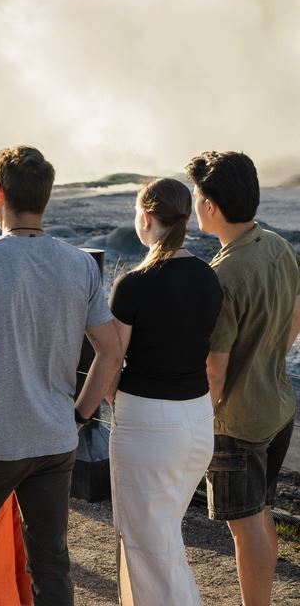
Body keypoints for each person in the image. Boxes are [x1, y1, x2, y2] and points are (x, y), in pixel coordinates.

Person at [0, 145, 123, 606]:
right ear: (45, 197)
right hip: (55, 440)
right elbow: (111, 353)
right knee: (50, 561)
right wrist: (78, 417)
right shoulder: (79, 264)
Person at [186, 151, 300, 606]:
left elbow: (214, 368)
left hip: (237, 423)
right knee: (260, 513)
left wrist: (198, 421)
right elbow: (296, 313)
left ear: (210, 205)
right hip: (278, 407)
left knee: (245, 524)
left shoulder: (220, 275)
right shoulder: (277, 246)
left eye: (197, 196)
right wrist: (269, 354)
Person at [107, 178, 223, 605]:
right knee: (162, 540)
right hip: (197, 422)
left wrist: (112, 403)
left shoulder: (134, 283)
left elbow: (110, 361)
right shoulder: (208, 278)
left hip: (147, 424)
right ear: (187, 219)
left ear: (146, 217)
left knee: (150, 550)